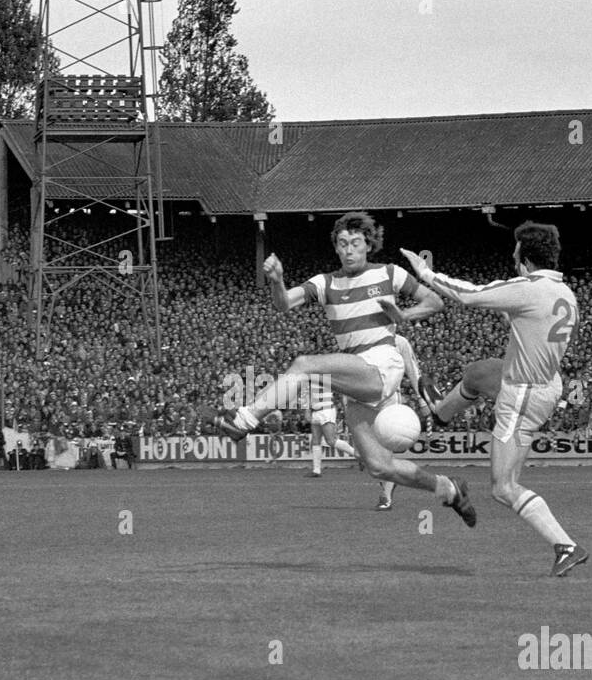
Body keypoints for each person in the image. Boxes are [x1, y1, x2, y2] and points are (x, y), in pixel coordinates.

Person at [200, 210, 477, 527]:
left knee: (304, 365)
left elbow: (435, 302)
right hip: (357, 374)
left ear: (368, 245)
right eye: (343, 243)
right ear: (336, 247)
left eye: (356, 243)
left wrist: (403, 315)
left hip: (382, 363)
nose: (348, 249)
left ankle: (244, 420)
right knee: (379, 466)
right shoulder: (325, 282)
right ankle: (449, 488)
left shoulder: (389, 273)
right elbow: (284, 304)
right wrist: (277, 281)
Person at [399, 220, 588, 576]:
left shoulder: (530, 286)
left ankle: (565, 546)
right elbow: (535, 331)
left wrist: (425, 272)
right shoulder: (565, 294)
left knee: (503, 487)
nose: (513, 260)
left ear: (526, 260)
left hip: (524, 393)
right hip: (544, 381)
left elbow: (468, 294)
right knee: (478, 373)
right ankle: (439, 413)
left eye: (516, 255)